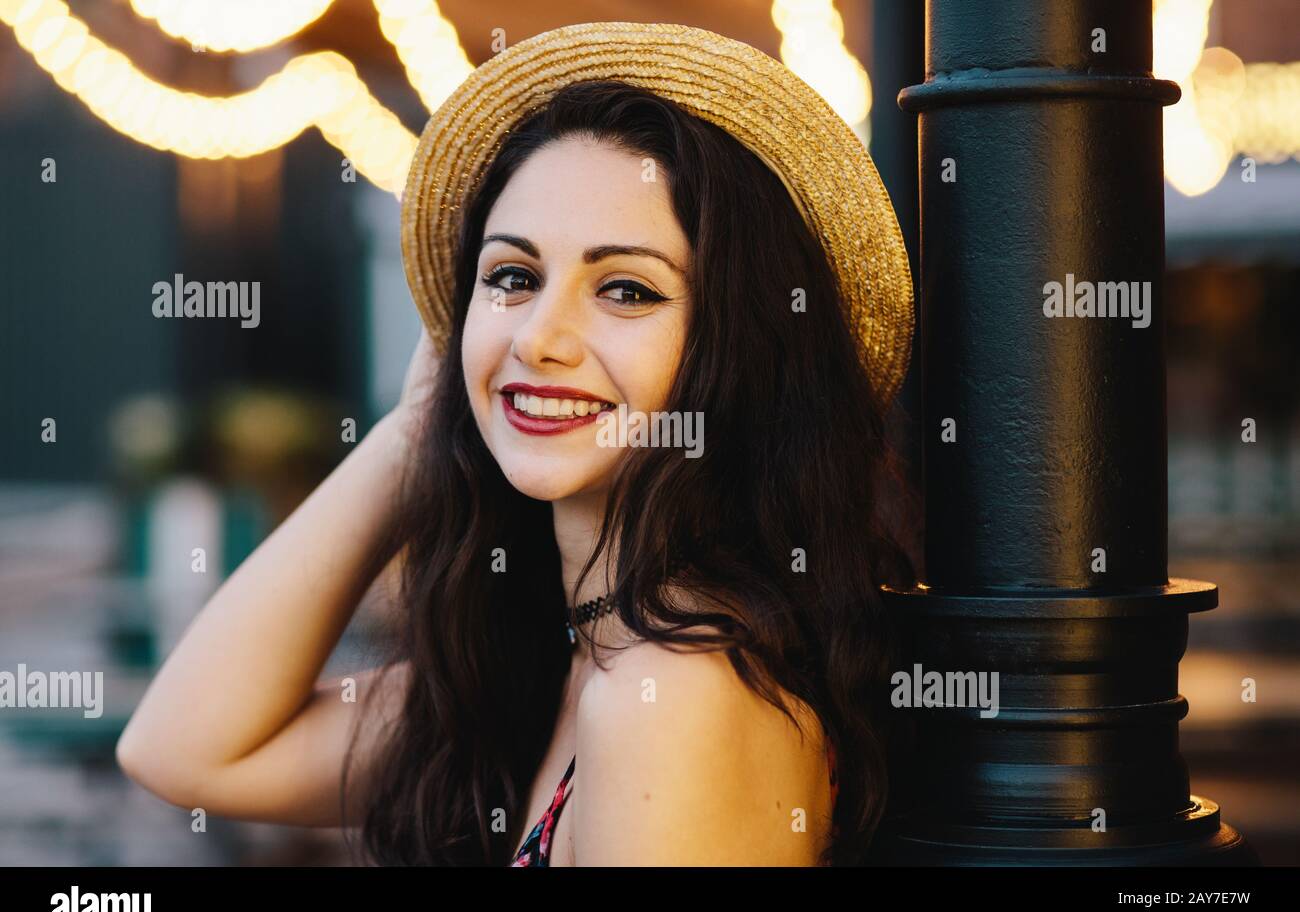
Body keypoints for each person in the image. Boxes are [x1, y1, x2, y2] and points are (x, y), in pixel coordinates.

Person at [117, 22, 918, 866]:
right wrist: (419, 425)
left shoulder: (677, 695)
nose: (540, 336)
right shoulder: (560, 661)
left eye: (625, 289)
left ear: (744, 348)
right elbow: (182, 749)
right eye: (512, 277)